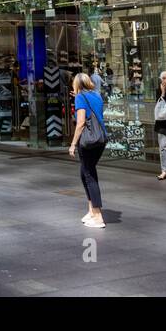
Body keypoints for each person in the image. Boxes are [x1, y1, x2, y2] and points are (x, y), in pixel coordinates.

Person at [68, 73, 106, 228]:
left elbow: (81, 122)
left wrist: (72, 144)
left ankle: (98, 216)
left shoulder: (80, 98)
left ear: (76, 84)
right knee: (86, 173)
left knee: (89, 175)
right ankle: (91, 210)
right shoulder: (96, 95)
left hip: (88, 141)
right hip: (101, 139)